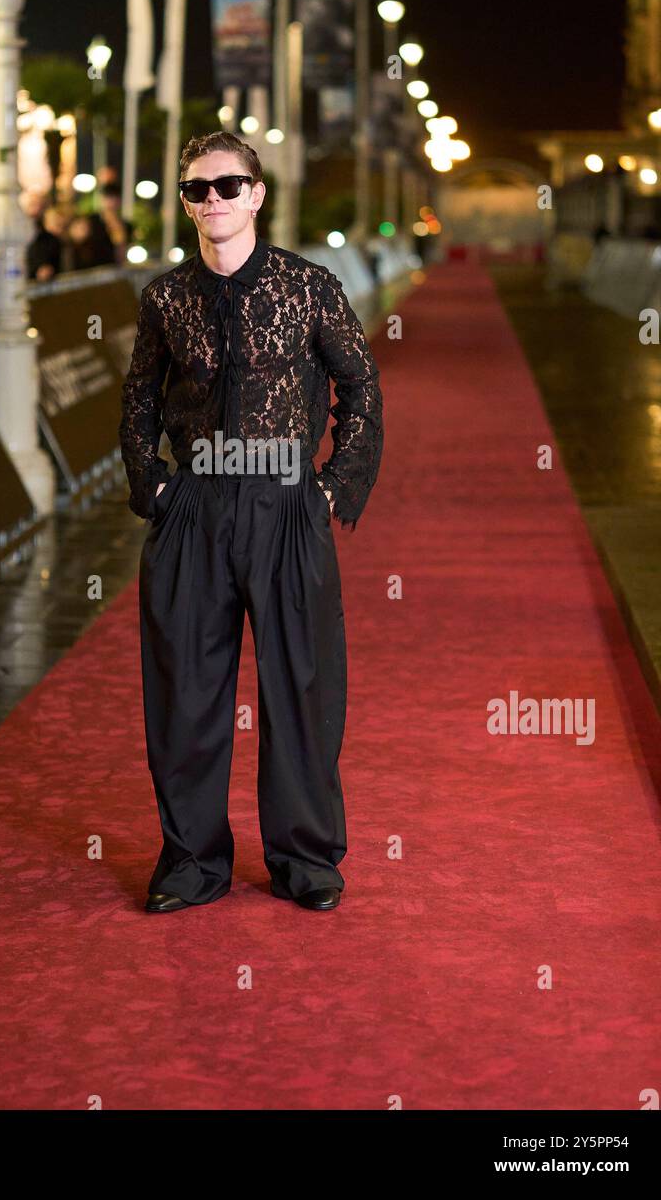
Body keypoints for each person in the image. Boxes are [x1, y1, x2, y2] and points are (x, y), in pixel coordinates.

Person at [119, 132, 384, 915]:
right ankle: (191, 861)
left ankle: (305, 859)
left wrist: (333, 489)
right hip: (195, 509)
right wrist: (155, 490)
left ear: (258, 195)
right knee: (186, 691)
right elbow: (138, 399)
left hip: (285, 504)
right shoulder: (166, 297)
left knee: (302, 685)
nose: (213, 201)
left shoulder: (309, 288)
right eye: (196, 190)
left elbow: (360, 387)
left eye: (228, 186)